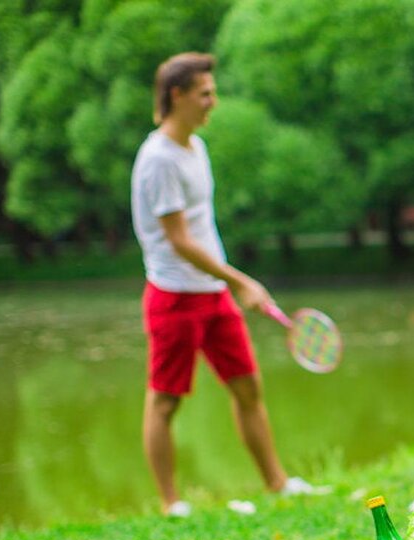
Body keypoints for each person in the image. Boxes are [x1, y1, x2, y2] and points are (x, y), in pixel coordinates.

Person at [132, 52, 322, 516]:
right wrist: (240, 280)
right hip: (175, 297)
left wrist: (227, 284)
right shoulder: (158, 160)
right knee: (165, 401)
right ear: (177, 96)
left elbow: (200, 228)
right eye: (205, 93)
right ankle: (171, 503)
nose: (212, 102)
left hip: (213, 294)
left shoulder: (196, 148)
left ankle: (277, 483)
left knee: (247, 387)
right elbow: (178, 240)